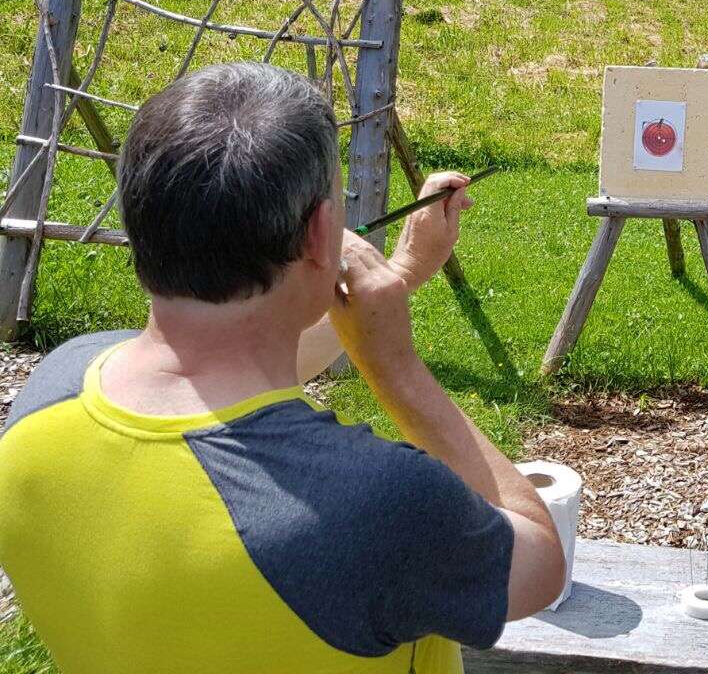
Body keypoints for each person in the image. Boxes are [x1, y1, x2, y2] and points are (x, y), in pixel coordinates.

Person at [0, 62, 567, 673]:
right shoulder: (382, 504)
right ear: (322, 233)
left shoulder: (50, 393)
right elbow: (539, 564)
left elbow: (225, 383)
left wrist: (402, 276)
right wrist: (396, 368)